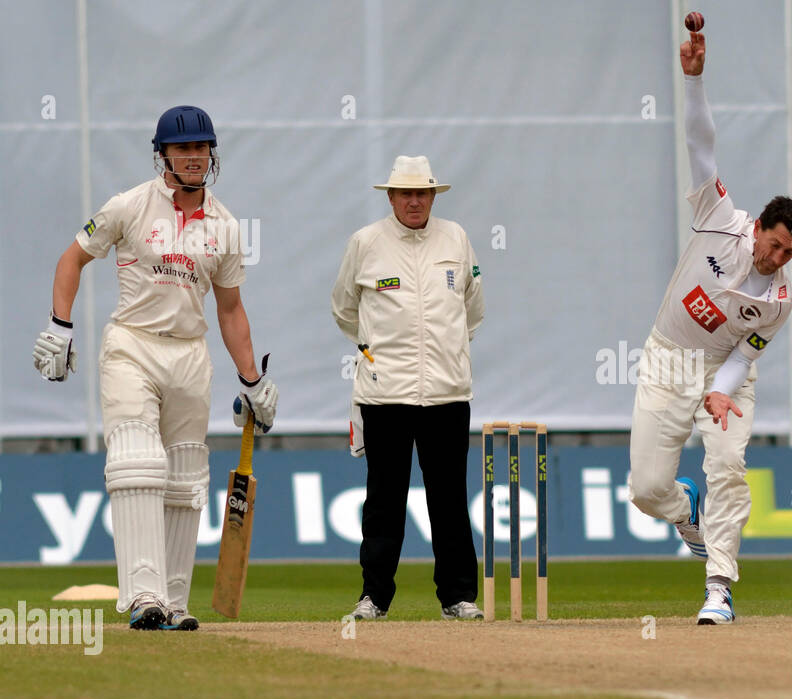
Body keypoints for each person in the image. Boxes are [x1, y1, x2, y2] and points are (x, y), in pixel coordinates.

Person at [34, 105, 277, 631]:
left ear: (212, 154)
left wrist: (253, 382)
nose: (194, 157)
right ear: (162, 154)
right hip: (132, 346)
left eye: (202, 148)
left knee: (186, 478)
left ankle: (174, 601)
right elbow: (71, 259)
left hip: (190, 355)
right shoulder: (129, 206)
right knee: (138, 464)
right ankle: (144, 596)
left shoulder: (225, 227)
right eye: (183, 148)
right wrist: (60, 325)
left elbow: (230, 309)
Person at [628, 26, 792, 625]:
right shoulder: (719, 217)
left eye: (789, 254)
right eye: (776, 244)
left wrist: (719, 391)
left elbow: (745, 354)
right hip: (667, 357)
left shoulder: (780, 300)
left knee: (728, 463)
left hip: (721, 375)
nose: (777, 259)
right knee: (646, 490)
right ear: (759, 227)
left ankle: (718, 588)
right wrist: (694, 78)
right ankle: (686, 513)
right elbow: (700, 142)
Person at [331, 155, 486, 621]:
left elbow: (472, 309)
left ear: (434, 195)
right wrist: (375, 351)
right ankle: (374, 597)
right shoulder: (366, 242)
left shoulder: (455, 237)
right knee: (384, 500)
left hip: (447, 392)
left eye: (423, 193)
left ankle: (458, 597)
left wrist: (449, 349)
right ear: (391, 196)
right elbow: (343, 309)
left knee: (450, 499)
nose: (415, 201)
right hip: (385, 394)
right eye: (406, 193)